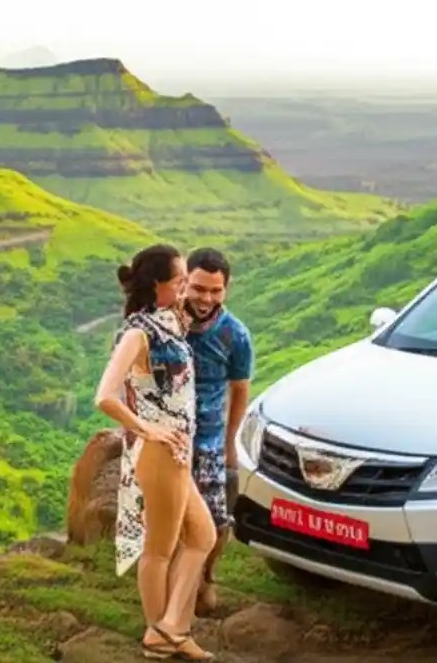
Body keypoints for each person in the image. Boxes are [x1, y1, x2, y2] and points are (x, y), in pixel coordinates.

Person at [94, 243, 217, 661]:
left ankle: (172, 627)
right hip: (159, 454)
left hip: (175, 453)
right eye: (179, 280)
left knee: (203, 535)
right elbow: (105, 396)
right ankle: (158, 634)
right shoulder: (137, 332)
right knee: (160, 550)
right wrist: (149, 430)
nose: (185, 286)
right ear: (157, 285)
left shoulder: (167, 322)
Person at [182, 247, 255, 612]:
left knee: (215, 517)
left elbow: (239, 388)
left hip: (208, 442)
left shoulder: (235, 335)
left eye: (215, 290)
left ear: (226, 289)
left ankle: (206, 576)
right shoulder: (164, 324)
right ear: (184, 282)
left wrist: (230, 444)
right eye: (198, 288)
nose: (206, 299)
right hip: (166, 440)